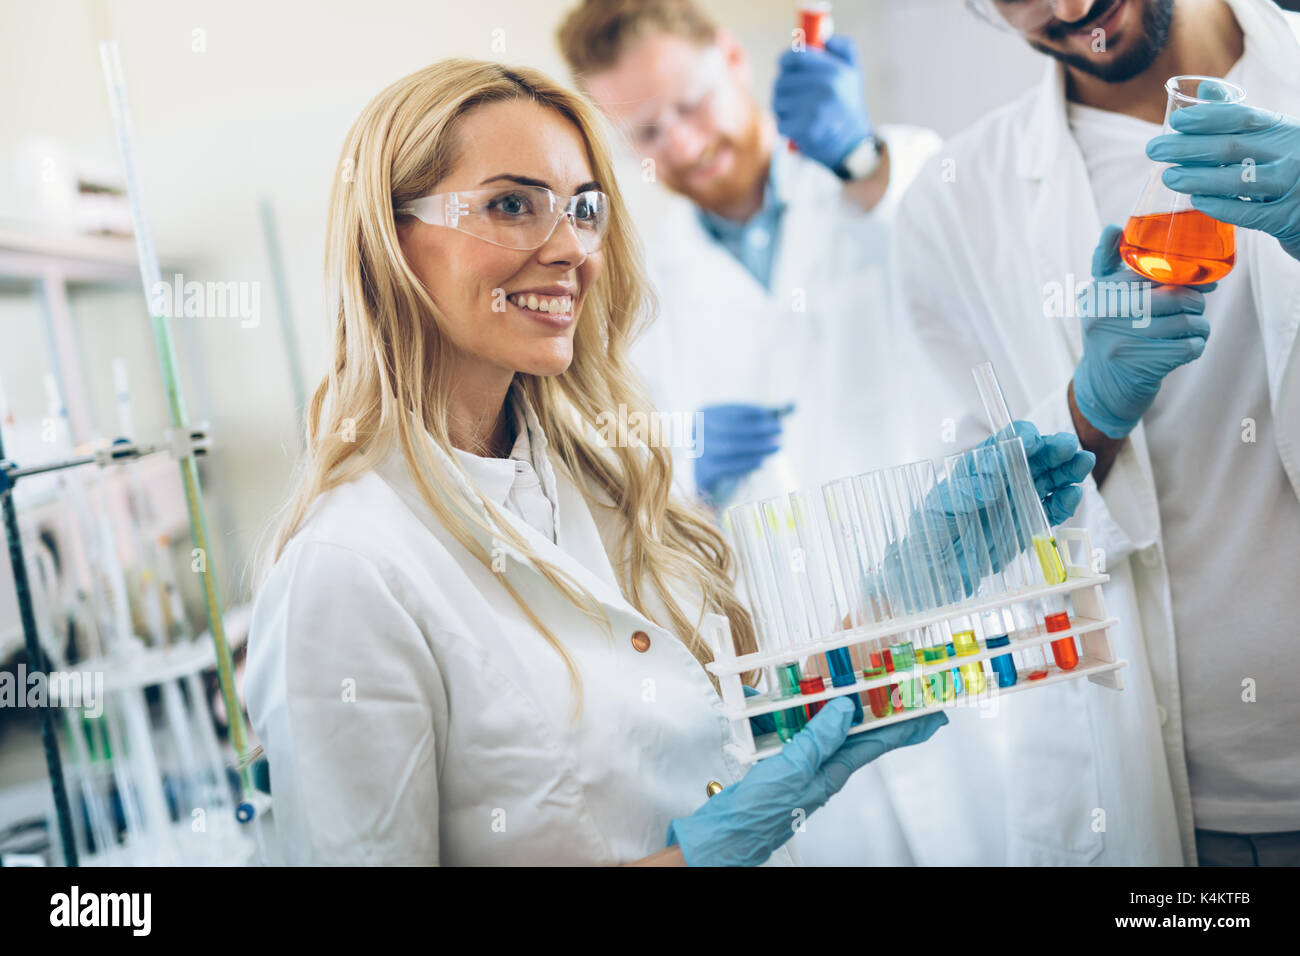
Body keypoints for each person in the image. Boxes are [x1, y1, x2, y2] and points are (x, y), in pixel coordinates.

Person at [242, 58, 969, 866]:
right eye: (512, 205)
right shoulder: (348, 573)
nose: (570, 250)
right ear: (393, 238)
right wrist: (694, 860)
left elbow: (708, 732)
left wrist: (906, 587)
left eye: (583, 209)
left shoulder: (600, 477)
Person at [890, 0, 1300, 865]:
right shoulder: (956, 206)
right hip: (1170, 807)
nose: (1073, 9)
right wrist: (1087, 411)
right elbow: (966, 550)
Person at [557, 0, 942, 509]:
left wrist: (860, 160)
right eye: (647, 133)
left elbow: (961, 268)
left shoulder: (892, 172)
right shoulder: (636, 284)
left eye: (692, 104)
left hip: (947, 561)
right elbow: (627, 487)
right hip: (778, 581)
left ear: (733, 57)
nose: (685, 146)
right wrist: (679, 461)